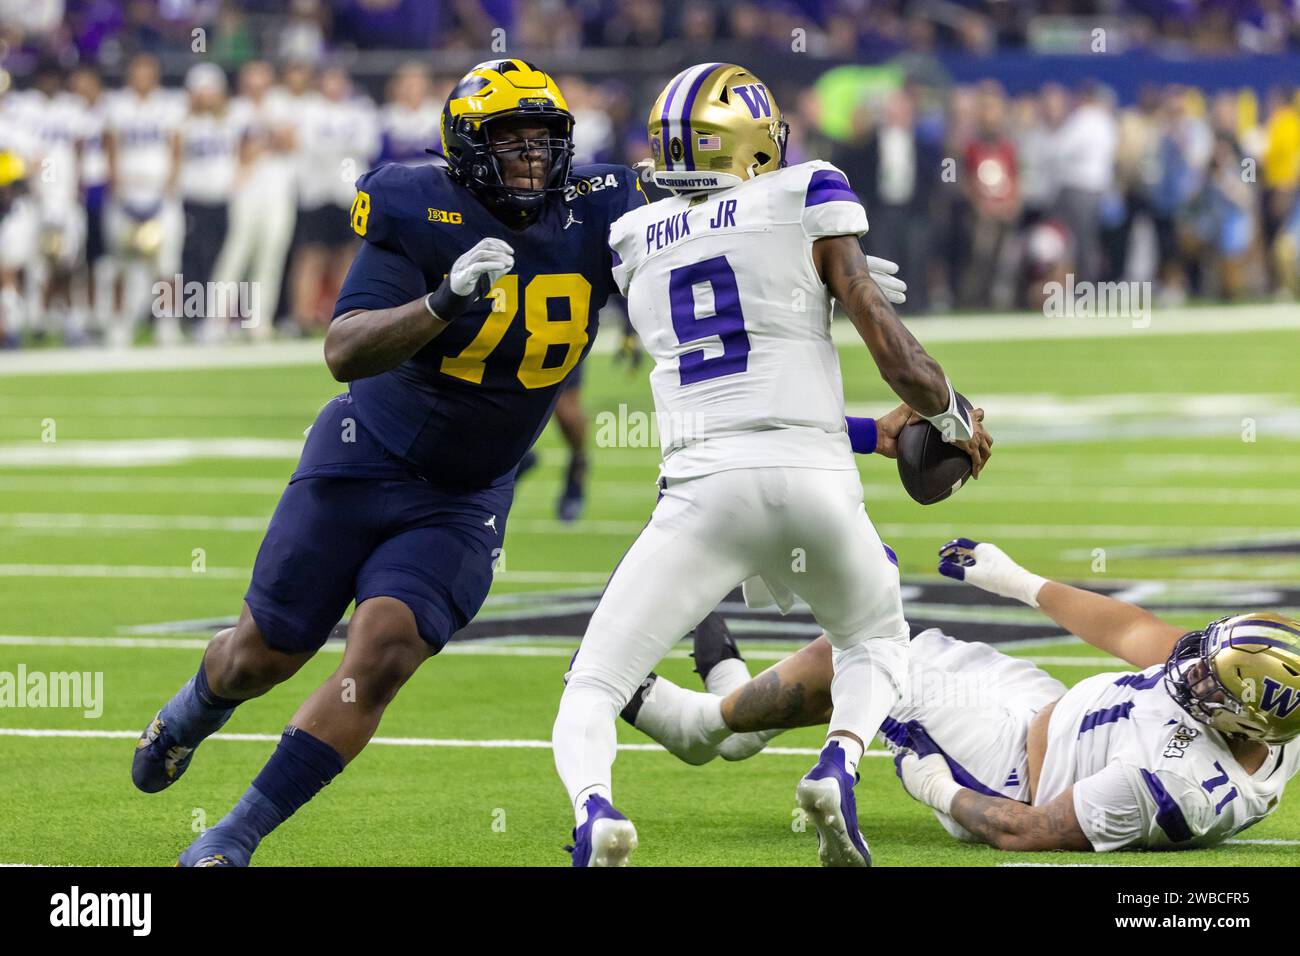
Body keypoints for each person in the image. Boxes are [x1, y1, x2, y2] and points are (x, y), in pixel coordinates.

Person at [130, 59, 646, 866]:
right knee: (258, 656)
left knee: (380, 655)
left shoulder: (601, 207)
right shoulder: (417, 205)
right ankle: (195, 708)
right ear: (467, 151)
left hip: (465, 494)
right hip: (360, 458)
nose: (533, 159)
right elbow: (343, 350)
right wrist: (442, 303)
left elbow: (703, 234)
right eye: (510, 143)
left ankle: (234, 838)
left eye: (545, 141)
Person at [552, 63, 991, 868]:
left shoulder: (627, 242)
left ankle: (596, 818)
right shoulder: (807, 191)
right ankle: (837, 764)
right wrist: (950, 414)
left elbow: (730, 363)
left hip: (703, 489)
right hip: (814, 480)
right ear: (752, 143)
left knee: (592, 685)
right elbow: (892, 359)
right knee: (875, 642)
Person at [623, 539, 1300, 853]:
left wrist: (936, 788)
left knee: (869, 651)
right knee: (889, 655)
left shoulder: (1177, 785)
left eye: (1210, 684)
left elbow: (1024, 830)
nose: (1191, 670)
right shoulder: (1268, 707)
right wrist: (1017, 581)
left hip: (1011, 768)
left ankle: (701, 723)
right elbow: (1132, 628)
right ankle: (735, 722)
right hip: (1055, 711)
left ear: (1243, 723)